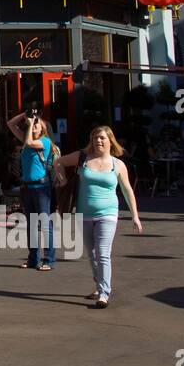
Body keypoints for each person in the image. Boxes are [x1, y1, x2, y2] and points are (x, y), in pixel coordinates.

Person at [55, 126, 142, 309]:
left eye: (102, 138)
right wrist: (62, 180)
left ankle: (104, 293)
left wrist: (135, 216)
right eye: (95, 138)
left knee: (103, 253)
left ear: (111, 140)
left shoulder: (117, 165)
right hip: (84, 214)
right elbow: (58, 162)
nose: (98, 141)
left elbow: (127, 190)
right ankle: (98, 285)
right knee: (92, 254)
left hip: (108, 213)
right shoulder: (83, 158)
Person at [7, 110, 56, 271]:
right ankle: (33, 259)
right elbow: (10, 124)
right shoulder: (26, 139)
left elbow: (28, 142)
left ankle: (48, 259)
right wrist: (25, 115)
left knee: (45, 223)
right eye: (33, 125)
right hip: (27, 188)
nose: (33, 126)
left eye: (37, 125)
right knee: (31, 225)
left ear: (42, 129)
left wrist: (29, 125)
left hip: (41, 188)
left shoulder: (45, 142)